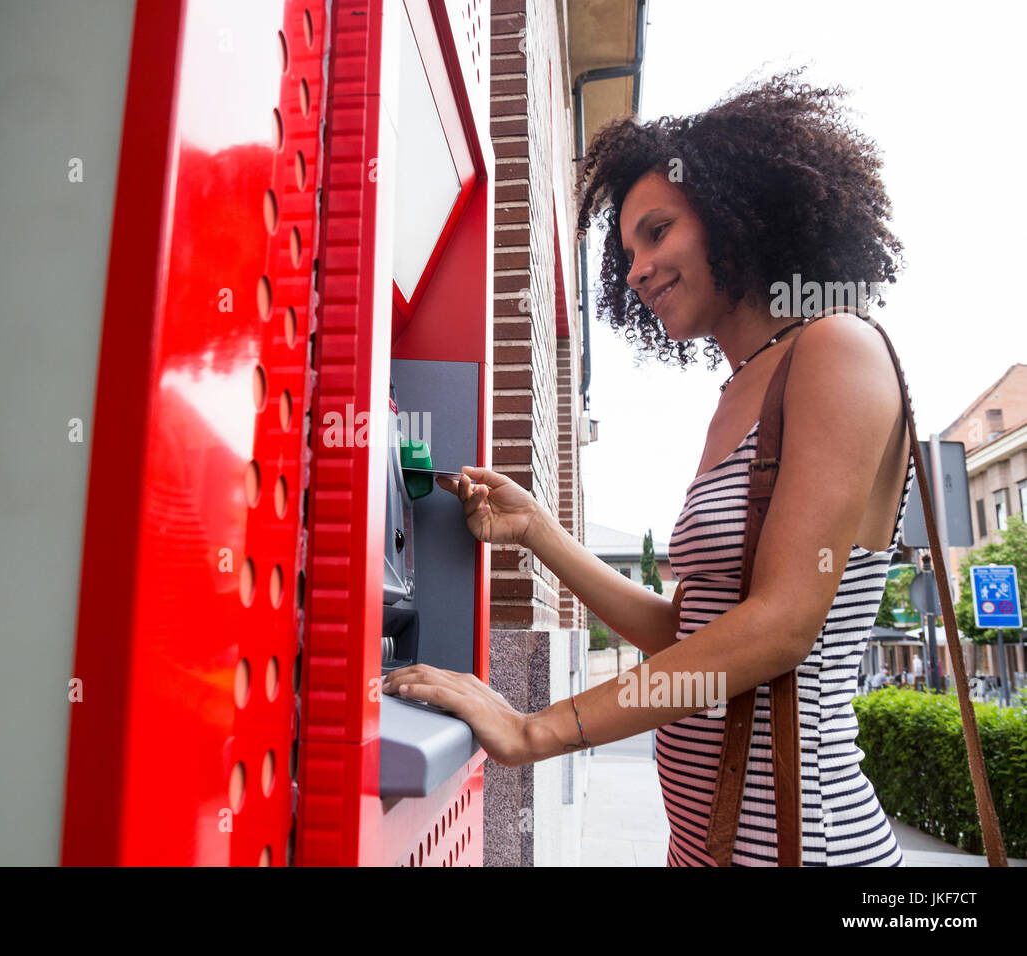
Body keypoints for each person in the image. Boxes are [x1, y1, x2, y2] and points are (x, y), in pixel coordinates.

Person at [381, 68, 913, 866]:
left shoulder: (837, 349)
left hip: (805, 846)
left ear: (738, 217)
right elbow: (687, 632)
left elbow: (779, 626)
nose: (634, 268)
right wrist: (542, 535)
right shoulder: (741, 392)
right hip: (706, 847)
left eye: (657, 231)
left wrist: (536, 729)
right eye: (627, 249)